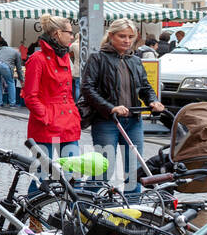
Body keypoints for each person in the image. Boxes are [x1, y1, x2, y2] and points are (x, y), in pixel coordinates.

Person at [80, 18, 166, 194]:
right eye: (122, 36)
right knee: (104, 169)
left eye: (130, 37)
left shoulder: (134, 60)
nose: (127, 40)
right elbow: (87, 88)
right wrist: (110, 107)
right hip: (106, 121)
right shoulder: (97, 58)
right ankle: (85, 205)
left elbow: (145, 86)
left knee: (134, 171)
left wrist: (153, 100)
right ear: (111, 36)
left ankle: (133, 214)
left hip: (133, 121)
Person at [23, 15, 82, 187]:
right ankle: (32, 213)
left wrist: (74, 115)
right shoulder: (38, 59)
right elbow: (30, 96)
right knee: (41, 176)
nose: (72, 36)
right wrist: (46, 117)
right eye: (69, 32)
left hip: (67, 123)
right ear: (57, 33)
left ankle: (75, 213)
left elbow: (67, 92)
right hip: (46, 125)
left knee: (74, 176)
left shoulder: (64, 56)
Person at [0, 38, 24, 109]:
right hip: (5, 66)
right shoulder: (17, 53)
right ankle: (12, 104)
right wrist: (22, 79)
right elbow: (19, 68)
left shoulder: (2, 48)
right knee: (10, 83)